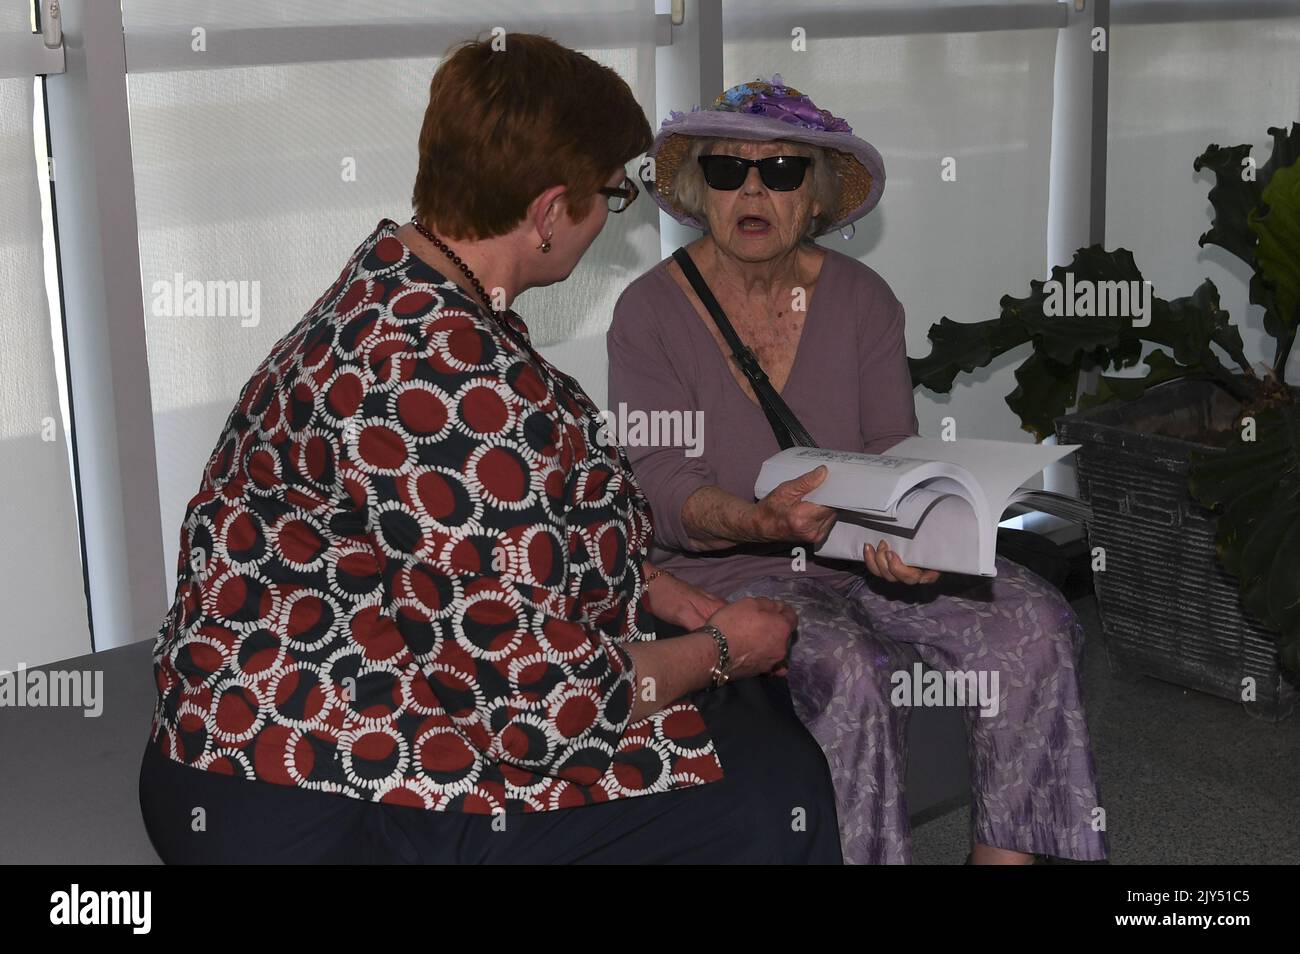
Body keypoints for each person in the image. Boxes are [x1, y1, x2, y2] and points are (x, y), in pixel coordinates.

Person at [137, 38, 842, 864]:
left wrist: (661, 591)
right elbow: (537, 718)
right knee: (769, 784)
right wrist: (723, 650)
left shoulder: (401, 282)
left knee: (745, 722)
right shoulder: (441, 378)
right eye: (611, 195)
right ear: (548, 213)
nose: (610, 217)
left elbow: (461, 541)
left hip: (346, 711)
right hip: (317, 787)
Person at [608, 75, 1110, 865]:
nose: (752, 188)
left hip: (859, 557)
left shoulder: (864, 299)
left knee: (1037, 618)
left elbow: (892, 452)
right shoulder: (650, 312)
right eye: (726, 169)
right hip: (738, 570)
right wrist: (761, 519)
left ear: (814, 199)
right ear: (697, 192)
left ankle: (1005, 857)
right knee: (852, 669)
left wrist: (911, 537)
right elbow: (660, 491)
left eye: (780, 172)